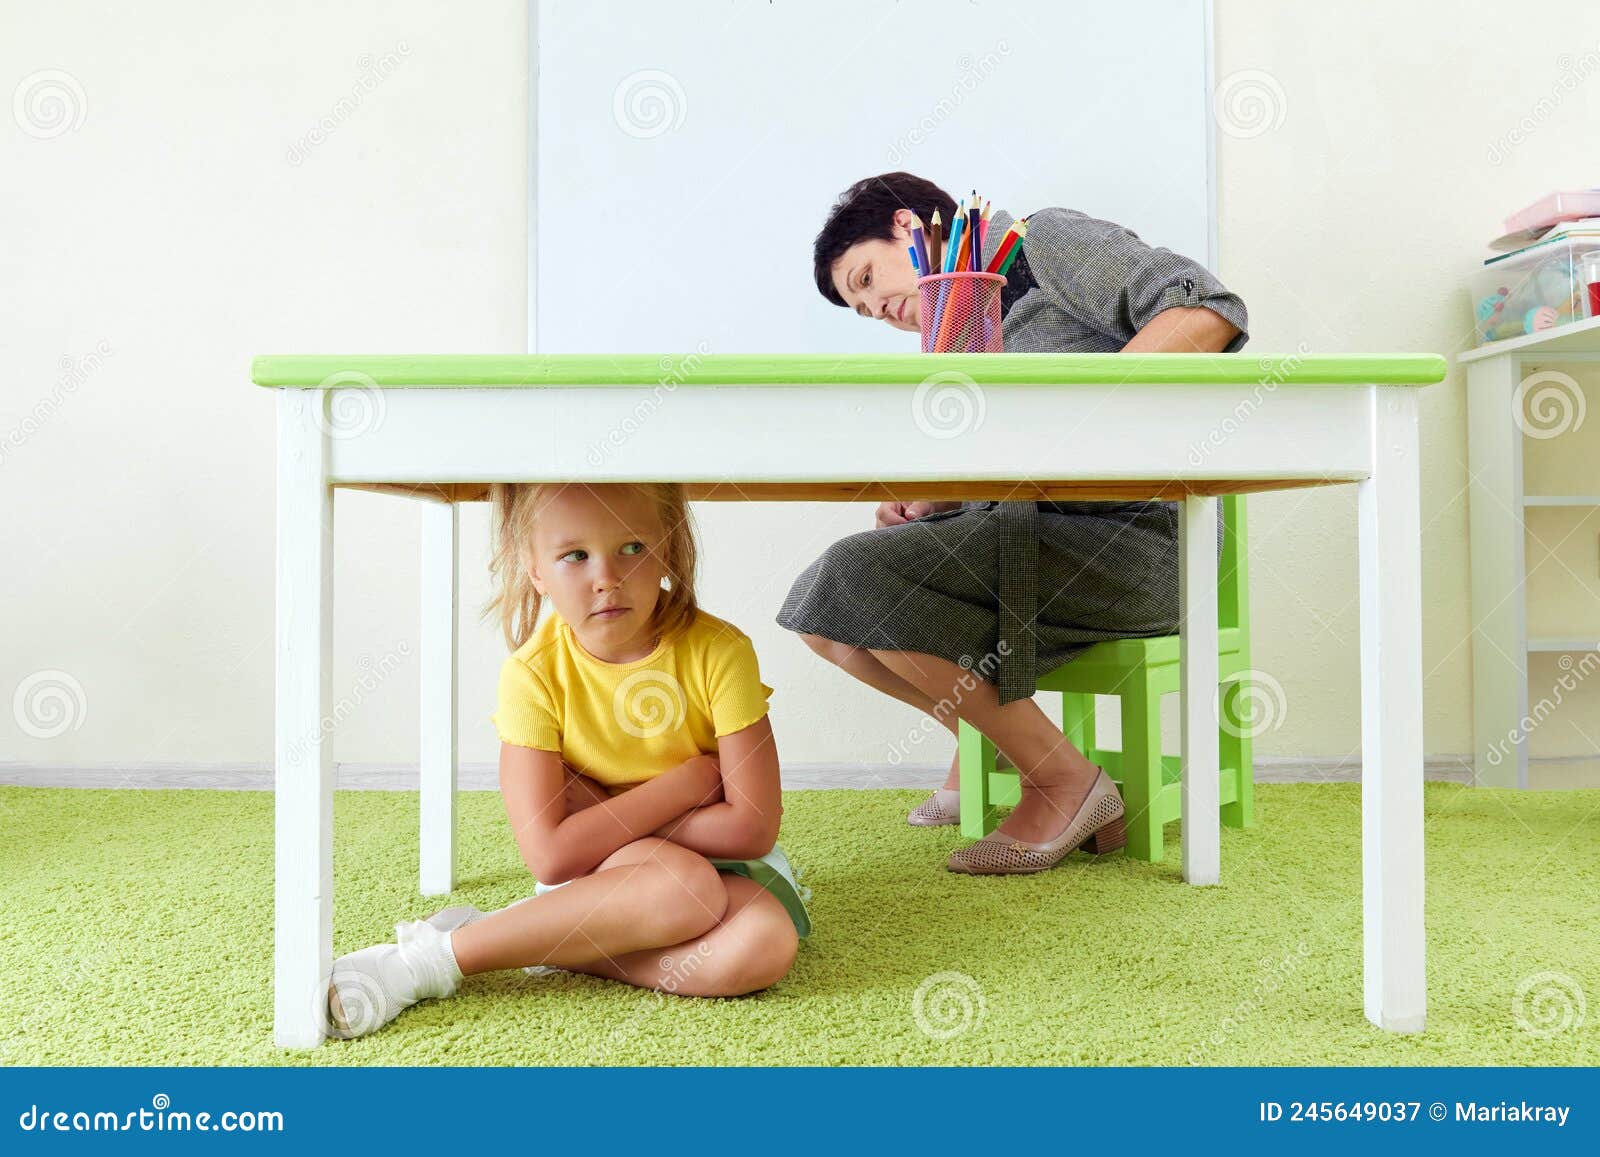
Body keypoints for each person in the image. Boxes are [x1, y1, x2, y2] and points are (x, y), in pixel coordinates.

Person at [779, 171, 1249, 875]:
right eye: (864, 309)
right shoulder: (952, 337)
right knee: (823, 610)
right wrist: (934, 503)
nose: (877, 308)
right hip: (1034, 544)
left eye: (867, 279)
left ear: (909, 227)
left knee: (856, 579)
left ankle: (1064, 783)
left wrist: (1084, 422)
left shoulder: (1039, 244)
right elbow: (1003, 470)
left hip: (1134, 546)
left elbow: (1209, 308)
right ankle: (1006, 744)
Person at [324, 482, 802, 1038]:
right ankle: (427, 961)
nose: (607, 578)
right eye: (575, 556)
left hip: (711, 863)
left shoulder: (721, 651)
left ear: (667, 551)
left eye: (633, 548)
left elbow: (752, 830)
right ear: (534, 571)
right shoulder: (532, 675)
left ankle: (523, 936)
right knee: (687, 886)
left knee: (765, 944)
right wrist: (690, 783)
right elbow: (551, 858)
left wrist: (598, 812)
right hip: (603, 874)